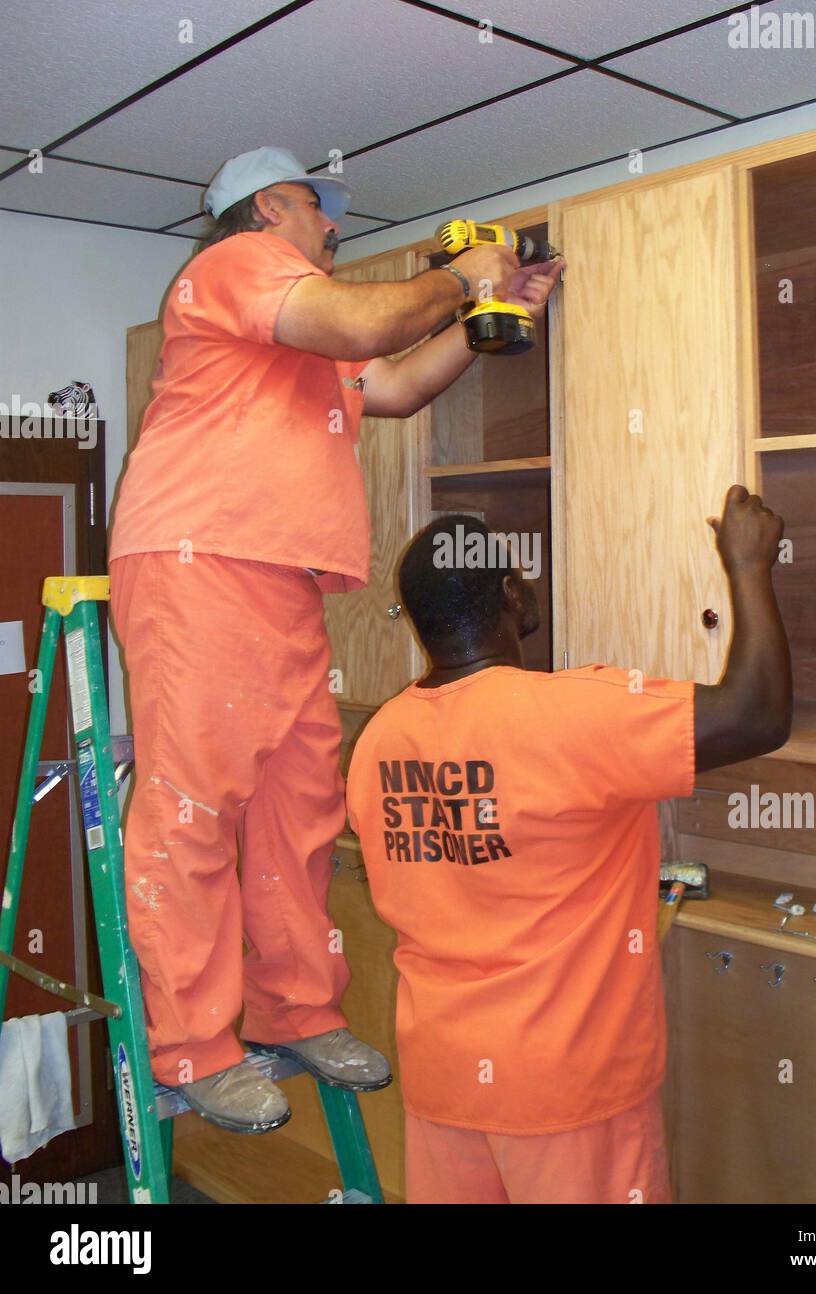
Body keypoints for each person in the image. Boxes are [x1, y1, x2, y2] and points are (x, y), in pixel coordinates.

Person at [109, 146, 564, 1133]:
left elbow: (393, 382)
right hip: (197, 562)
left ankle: (297, 1010)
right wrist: (460, 276)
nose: (333, 231)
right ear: (273, 204)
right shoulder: (232, 267)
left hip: (279, 580)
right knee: (192, 809)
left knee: (299, 806)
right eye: (322, 215)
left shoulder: (301, 341)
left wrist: (501, 306)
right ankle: (192, 1048)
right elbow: (368, 315)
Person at [345, 485, 791, 1202]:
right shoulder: (569, 714)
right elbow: (757, 715)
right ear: (509, 597)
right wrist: (747, 565)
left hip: (445, 1080)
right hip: (565, 1090)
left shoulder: (379, 741)